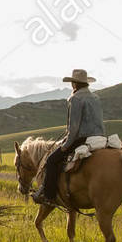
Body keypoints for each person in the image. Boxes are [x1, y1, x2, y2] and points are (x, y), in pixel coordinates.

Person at [35, 67, 105, 207]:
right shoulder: (96, 97)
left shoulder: (75, 98)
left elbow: (74, 129)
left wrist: (65, 145)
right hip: (100, 138)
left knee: (51, 160)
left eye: (72, 83)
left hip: (82, 139)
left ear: (74, 84)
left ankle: (48, 197)